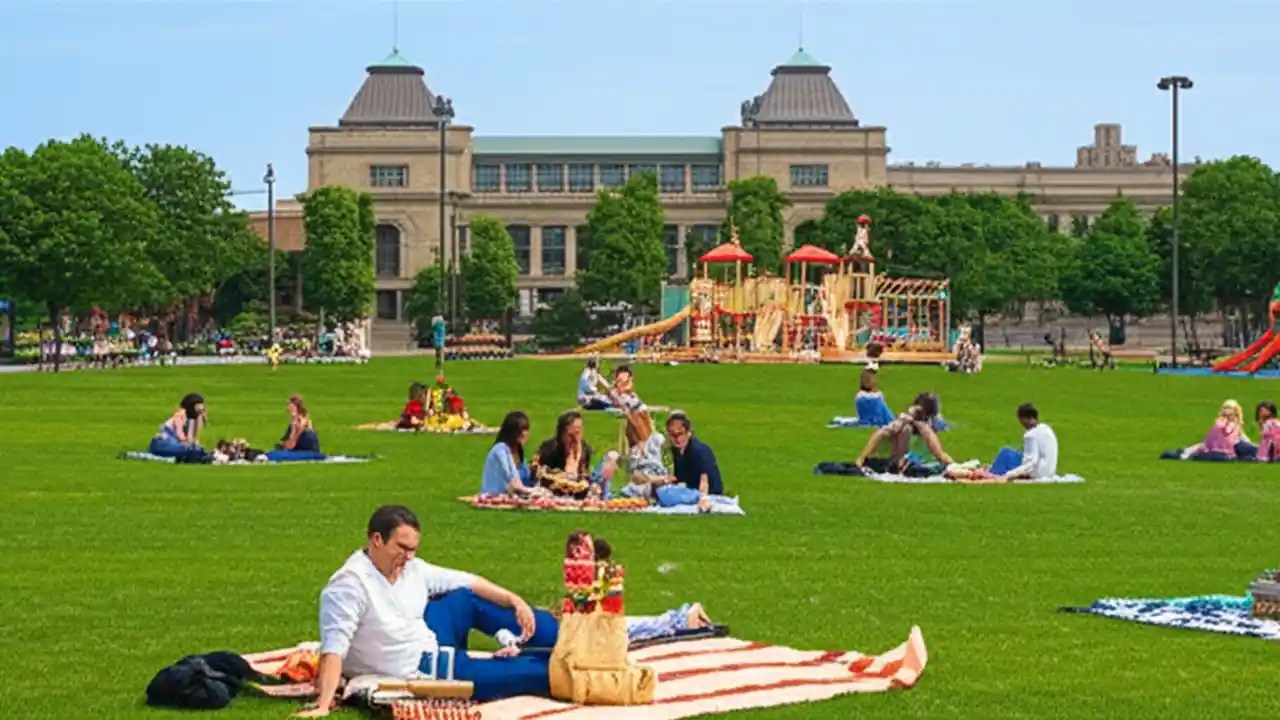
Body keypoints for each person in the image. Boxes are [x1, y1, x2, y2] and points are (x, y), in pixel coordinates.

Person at [296, 506, 558, 716]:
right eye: (402, 548)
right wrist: (323, 704)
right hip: (421, 667)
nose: (409, 557)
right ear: (377, 540)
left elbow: (467, 580)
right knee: (529, 674)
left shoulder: (412, 569)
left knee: (466, 597)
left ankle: (564, 636)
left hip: (429, 636)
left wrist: (515, 600)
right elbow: (334, 648)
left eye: (413, 550)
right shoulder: (349, 586)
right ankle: (572, 668)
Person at [854, 392, 954, 474]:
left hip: (905, 464)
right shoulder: (907, 426)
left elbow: (938, 452)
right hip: (907, 465)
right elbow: (939, 453)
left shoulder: (918, 426)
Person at [530, 410, 619, 498]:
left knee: (610, 459)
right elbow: (539, 475)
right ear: (562, 432)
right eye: (572, 433)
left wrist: (578, 457)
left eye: (579, 429)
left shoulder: (585, 448)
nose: (576, 435)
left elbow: (582, 477)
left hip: (578, 489)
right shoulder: (550, 448)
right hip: (554, 488)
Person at [665, 412, 723, 506]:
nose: (677, 439)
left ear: (688, 433)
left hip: (708, 493)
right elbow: (678, 477)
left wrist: (703, 498)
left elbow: (704, 478)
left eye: (679, 434)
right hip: (689, 489)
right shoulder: (675, 450)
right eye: (672, 435)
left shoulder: (699, 451)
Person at [989, 403, 1060, 479]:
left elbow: (1031, 462)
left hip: (1038, 473)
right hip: (1049, 471)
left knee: (1006, 453)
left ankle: (990, 475)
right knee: (1014, 454)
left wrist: (1009, 474)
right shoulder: (1046, 428)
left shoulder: (1031, 435)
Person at [480, 412, 536, 496]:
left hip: (512, 494)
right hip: (495, 495)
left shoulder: (519, 454)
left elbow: (526, 481)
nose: (524, 434)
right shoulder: (500, 450)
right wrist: (535, 491)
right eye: (520, 430)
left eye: (526, 429)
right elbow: (513, 479)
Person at [1180, 400, 1249, 461]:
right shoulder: (1221, 422)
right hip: (1215, 448)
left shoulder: (1235, 425)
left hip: (1223, 451)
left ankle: (1185, 454)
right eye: (1225, 408)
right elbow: (1212, 436)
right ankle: (1185, 453)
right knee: (1197, 448)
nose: (1227, 410)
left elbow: (1242, 437)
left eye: (1229, 408)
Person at [149, 393, 207, 458]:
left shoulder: (193, 419)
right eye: (198, 405)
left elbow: (193, 439)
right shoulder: (180, 415)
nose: (201, 407)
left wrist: (199, 418)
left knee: (195, 450)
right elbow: (180, 436)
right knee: (192, 450)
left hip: (175, 444)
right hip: (163, 443)